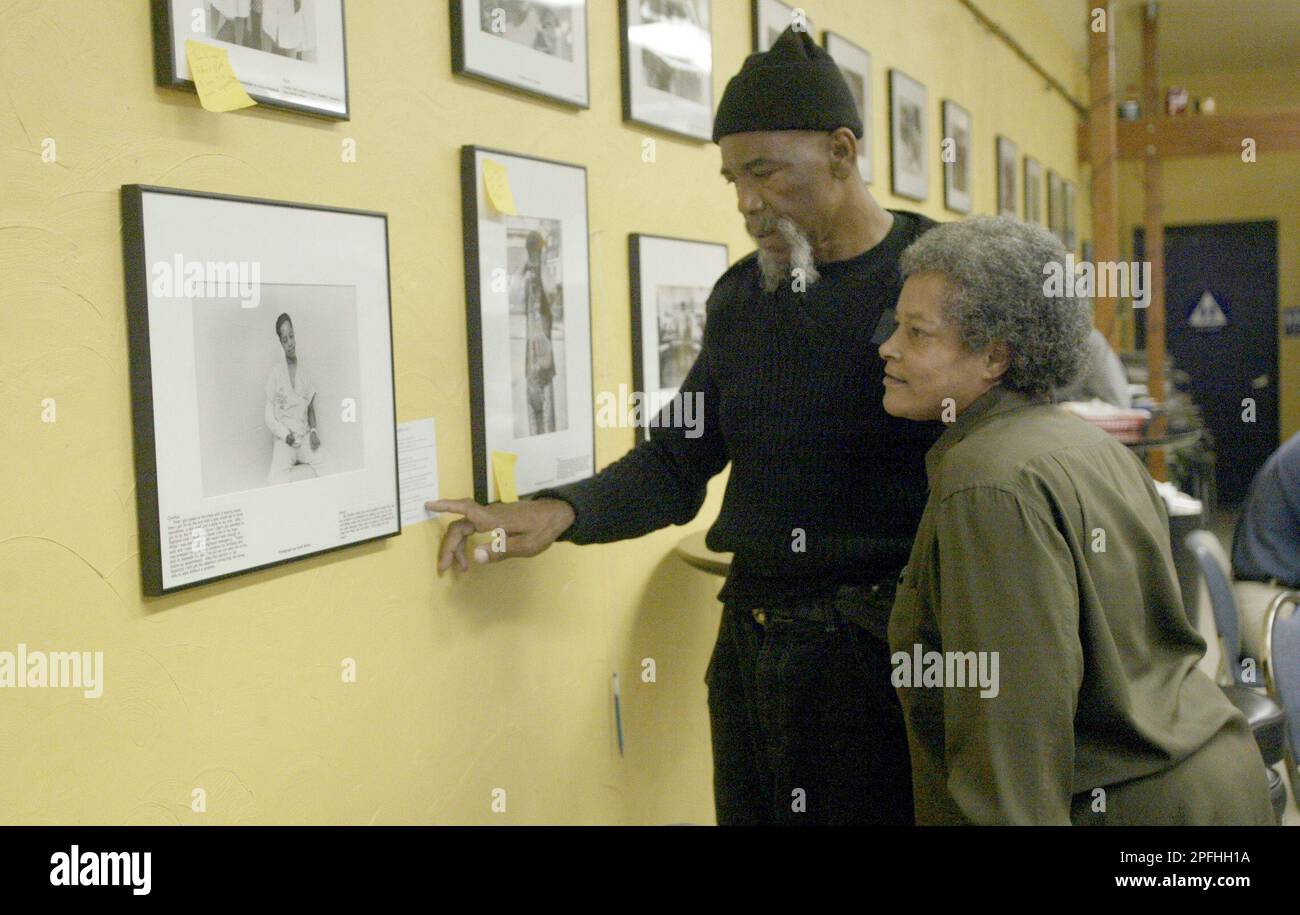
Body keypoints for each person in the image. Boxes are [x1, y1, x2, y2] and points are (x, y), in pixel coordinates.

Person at [429, 26, 942, 825]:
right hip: (750, 652)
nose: (745, 201)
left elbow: (1005, 457)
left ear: (841, 153)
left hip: (877, 661)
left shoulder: (938, 276)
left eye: (764, 171)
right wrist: (559, 511)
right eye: (733, 177)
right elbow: (678, 459)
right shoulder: (744, 297)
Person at [879, 215, 1274, 825]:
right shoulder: (1088, 444)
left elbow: (1012, 740)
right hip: (1212, 787)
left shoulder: (987, 485)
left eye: (917, 332)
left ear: (995, 355)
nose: (889, 347)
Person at [265, 312, 325, 484]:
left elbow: (311, 409)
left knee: (330, 466)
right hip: (285, 442)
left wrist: (313, 432)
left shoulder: (304, 373)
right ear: (280, 343)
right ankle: (304, 473)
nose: (290, 343)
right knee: (274, 481)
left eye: (291, 336)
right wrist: (285, 435)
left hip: (304, 437)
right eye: (285, 339)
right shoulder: (275, 373)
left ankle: (300, 471)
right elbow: (268, 417)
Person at [519, 231, 557, 435]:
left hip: (541, 340)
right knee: (538, 392)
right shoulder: (531, 273)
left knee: (542, 389)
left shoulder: (539, 272)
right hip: (536, 343)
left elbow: (549, 298)